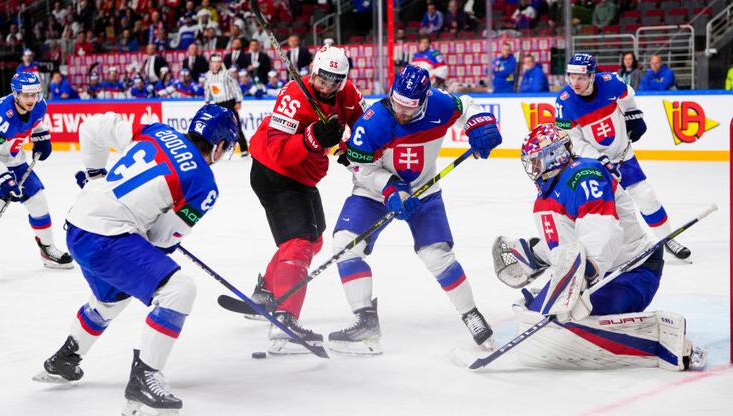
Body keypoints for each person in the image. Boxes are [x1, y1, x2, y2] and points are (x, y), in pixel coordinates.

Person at [33, 105, 239, 414]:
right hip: (106, 238)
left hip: (77, 225)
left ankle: (65, 360)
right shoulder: (204, 184)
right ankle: (145, 377)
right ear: (221, 145)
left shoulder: (157, 130)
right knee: (179, 290)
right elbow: (161, 240)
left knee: (111, 298)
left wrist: (95, 176)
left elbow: (93, 126)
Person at [491, 123, 706, 371]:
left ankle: (662, 339)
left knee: (573, 322)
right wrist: (535, 254)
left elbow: (603, 232)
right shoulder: (545, 199)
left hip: (633, 270)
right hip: (597, 274)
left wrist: (585, 275)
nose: (533, 168)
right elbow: (568, 248)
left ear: (555, 155)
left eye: (537, 160)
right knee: (540, 317)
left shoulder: (585, 175)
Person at [327, 65, 502, 355]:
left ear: (424, 100)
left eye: (408, 108)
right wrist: (390, 188)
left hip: (424, 189)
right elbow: (362, 169)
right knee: (344, 244)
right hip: (374, 192)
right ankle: (365, 322)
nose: (401, 112)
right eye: (396, 103)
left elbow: (467, 104)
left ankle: (471, 314)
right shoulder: (372, 122)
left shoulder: (441, 105)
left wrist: (481, 124)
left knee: (437, 254)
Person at [247, 46, 366, 354]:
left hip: (303, 177)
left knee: (313, 241)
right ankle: (284, 322)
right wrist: (314, 137)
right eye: (322, 79)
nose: (327, 87)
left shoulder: (347, 92)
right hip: (275, 173)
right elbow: (276, 150)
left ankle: (266, 294)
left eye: (334, 81)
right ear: (313, 73)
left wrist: (351, 148)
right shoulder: (293, 95)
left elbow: (364, 122)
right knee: (299, 243)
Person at [555, 53, 691, 260]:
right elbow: (573, 141)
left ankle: (667, 238)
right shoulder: (564, 103)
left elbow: (628, 95)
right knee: (608, 211)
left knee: (646, 196)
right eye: (571, 76)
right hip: (593, 164)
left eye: (581, 77)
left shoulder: (611, 82)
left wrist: (633, 115)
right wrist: (599, 160)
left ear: (592, 76)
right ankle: (620, 251)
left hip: (622, 155)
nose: (575, 83)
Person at [0, 72, 73, 281]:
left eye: (34, 94)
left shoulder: (39, 105)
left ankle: (47, 251)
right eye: (26, 95)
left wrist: (41, 137)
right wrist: (4, 179)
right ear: (15, 93)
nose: (31, 100)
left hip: (16, 161)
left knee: (39, 203)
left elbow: (37, 123)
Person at [204, 53, 248, 156]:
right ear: (211, 63)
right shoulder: (208, 75)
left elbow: (235, 86)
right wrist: (206, 101)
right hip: (217, 103)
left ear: (220, 63)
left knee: (235, 126)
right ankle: (221, 149)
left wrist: (238, 101)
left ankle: (244, 148)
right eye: (214, 62)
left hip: (229, 102)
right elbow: (207, 88)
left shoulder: (227, 73)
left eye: (218, 62)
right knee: (219, 128)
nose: (216, 64)